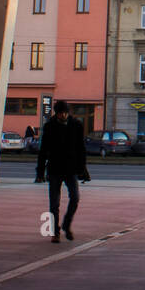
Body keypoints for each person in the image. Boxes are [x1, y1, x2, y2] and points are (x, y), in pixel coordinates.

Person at [34, 101, 90, 243]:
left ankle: (66, 224)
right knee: (54, 204)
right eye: (60, 113)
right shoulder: (49, 126)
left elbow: (81, 149)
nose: (63, 115)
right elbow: (43, 151)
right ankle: (55, 232)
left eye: (65, 112)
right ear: (56, 113)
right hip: (54, 169)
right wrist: (40, 172)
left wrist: (82, 168)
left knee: (75, 198)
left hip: (71, 169)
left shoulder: (76, 125)